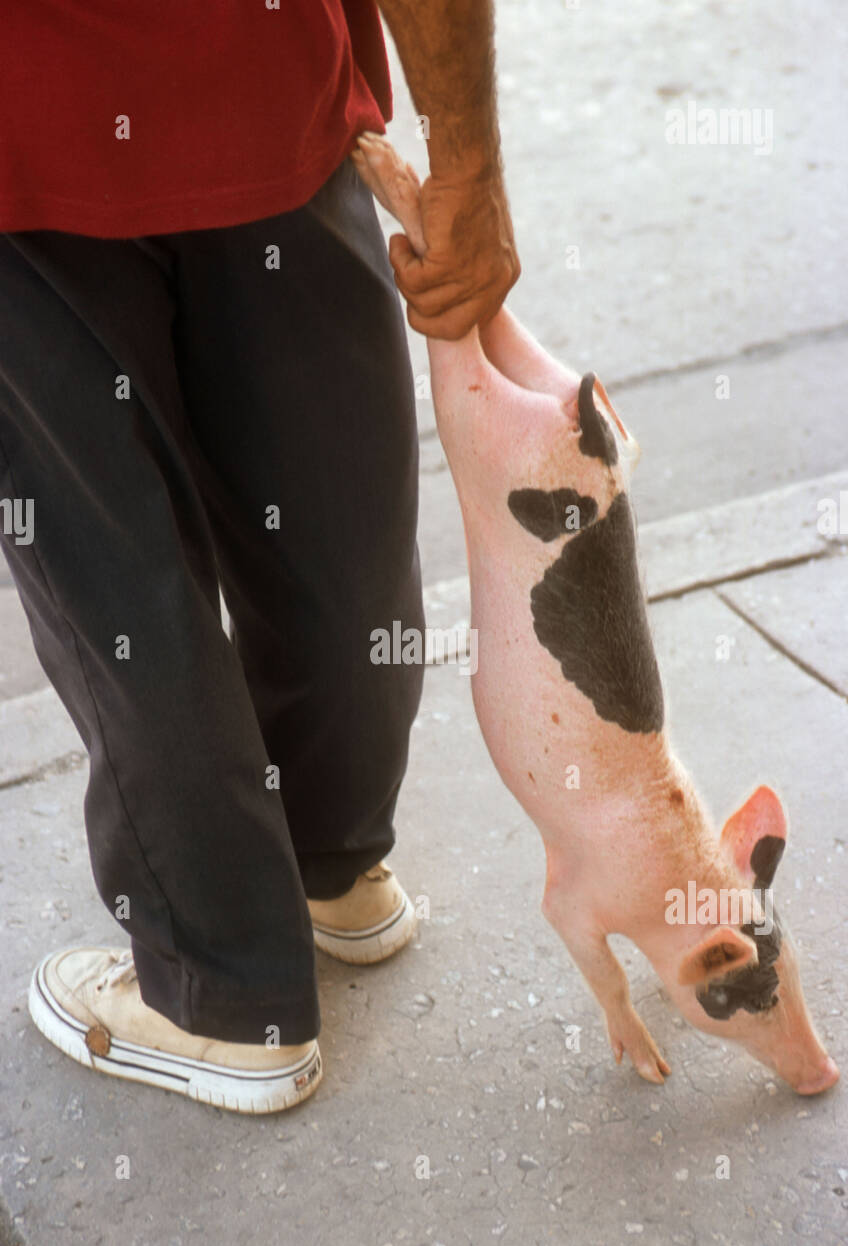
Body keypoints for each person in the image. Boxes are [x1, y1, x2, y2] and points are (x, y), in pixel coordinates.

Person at [0, 1, 519, 1112]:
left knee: (114, 566)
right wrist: (467, 158)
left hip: (24, 133)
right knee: (325, 486)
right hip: (268, 87)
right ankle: (332, 862)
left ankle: (224, 998)